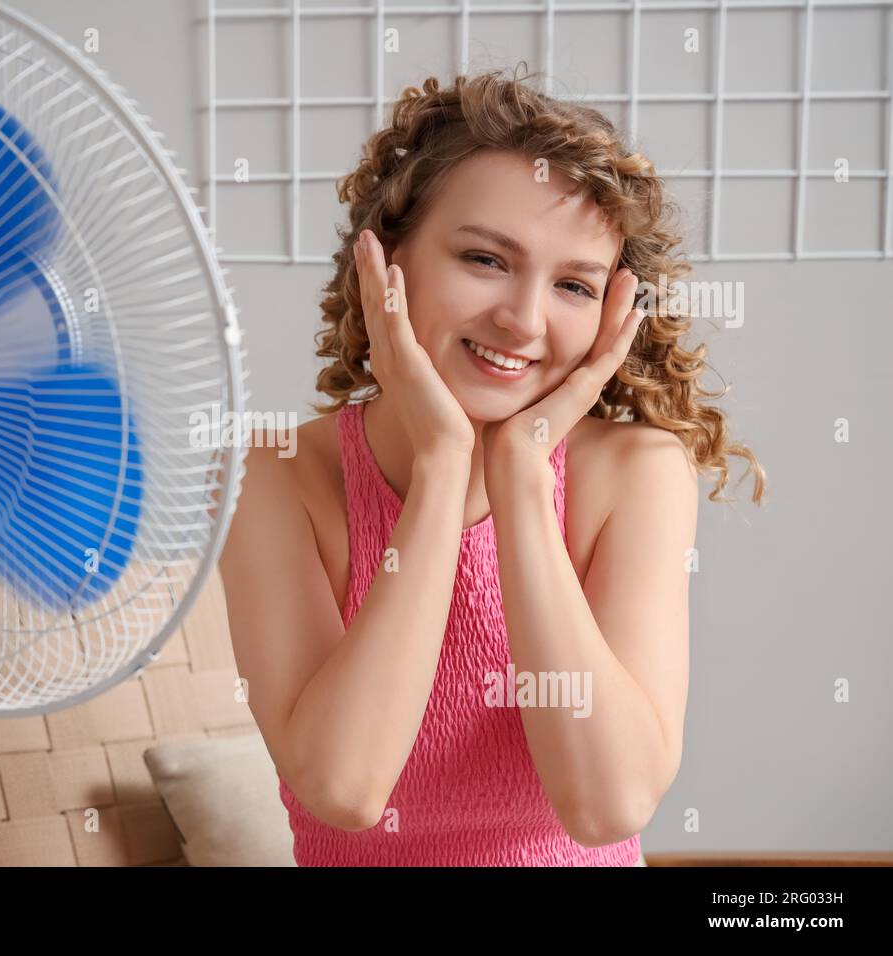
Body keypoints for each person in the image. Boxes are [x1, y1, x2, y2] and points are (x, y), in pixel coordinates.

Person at [216, 67, 766, 866]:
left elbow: (606, 804)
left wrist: (521, 482)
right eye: (485, 259)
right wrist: (442, 470)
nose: (523, 319)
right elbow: (344, 789)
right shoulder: (278, 475)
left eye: (574, 284)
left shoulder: (637, 473)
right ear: (387, 262)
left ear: (613, 311)